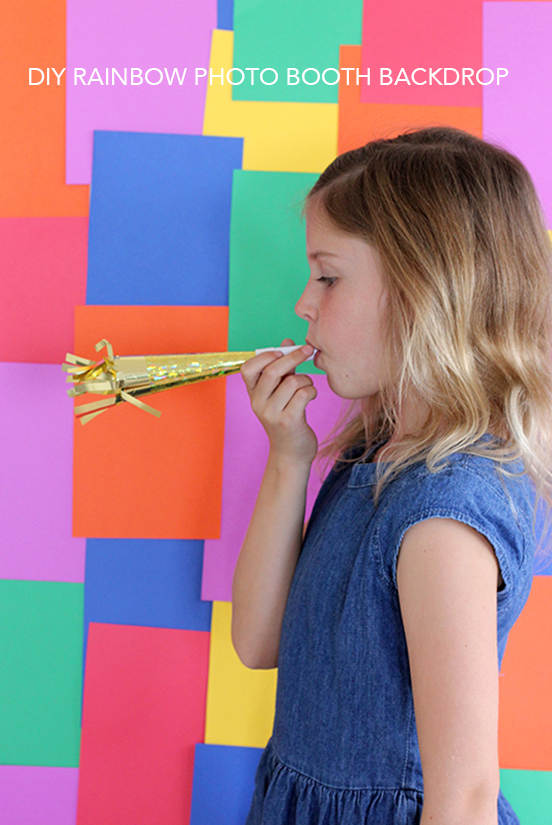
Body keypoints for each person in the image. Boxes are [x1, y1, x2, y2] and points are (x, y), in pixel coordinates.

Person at [231, 127, 552, 825]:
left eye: (328, 276)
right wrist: (288, 457)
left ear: (423, 289)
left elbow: (464, 798)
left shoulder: (443, 513)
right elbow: (258, 642)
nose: (303, 303)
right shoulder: (371, 457)